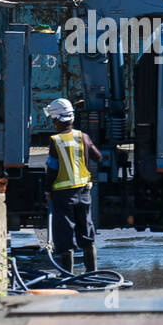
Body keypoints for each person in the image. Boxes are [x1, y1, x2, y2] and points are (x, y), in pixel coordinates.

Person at [44, 98, 102, 274]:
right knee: (86, 231)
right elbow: (98, 157)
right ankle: (92, 272)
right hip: (84, 193)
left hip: (63, 196)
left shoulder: (56, 140)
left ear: (56, 120)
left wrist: (47, 190)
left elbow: (52, 170)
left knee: (64, 235)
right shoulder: (83, 137)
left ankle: (67, 276)